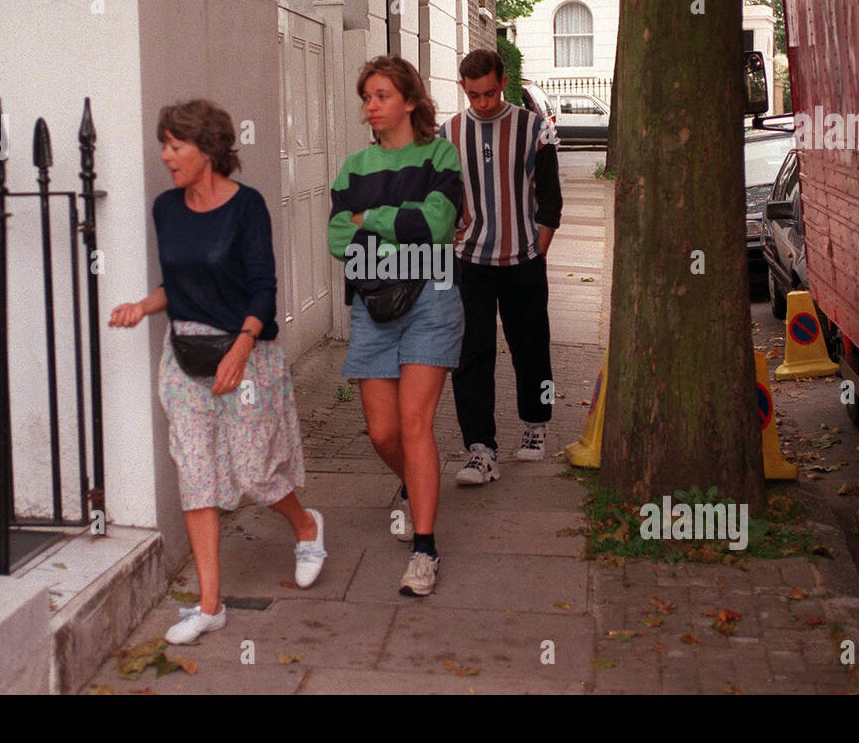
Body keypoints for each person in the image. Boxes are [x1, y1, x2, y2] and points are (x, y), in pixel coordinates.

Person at [109, 99, 326, 645]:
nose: (166, 156)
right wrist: (143, 306)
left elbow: (262, 286)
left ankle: (306, 525)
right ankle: (210, 605)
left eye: (175, 146)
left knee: (254, 471)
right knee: (196, 474)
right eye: (164, 145)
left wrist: (243, 346)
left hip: (245, 351)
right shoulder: (166, 209)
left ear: (207, 149)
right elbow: (178, 286)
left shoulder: (246, 207)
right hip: (184, 357)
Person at [327, 55, 463, 596]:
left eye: (381, 95)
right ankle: (414, 484)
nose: (371, 106)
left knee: (414, 425)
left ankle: (425, 550)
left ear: (409, 100)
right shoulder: (353, 167)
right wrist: (395, 222)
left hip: (432, 298)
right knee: (382, 431)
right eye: (366, 98)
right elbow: (338, 239)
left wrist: (372, 219)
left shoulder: (439, 154)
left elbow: (436, 225)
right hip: (372, 305)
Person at [439, 48, 563, 485]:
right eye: (474, 95)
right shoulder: (448, 132)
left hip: (523, 260)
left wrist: (537, 249)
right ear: (463, 89)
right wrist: (451, 221)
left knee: (531, 346)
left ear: (503, 82)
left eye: (490, 93)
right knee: (470, 354)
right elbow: (441, 192)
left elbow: (550, 198)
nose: (484, 103)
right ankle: (480, 449)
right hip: (469, 264)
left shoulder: (535, 129)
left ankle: (535, 425)